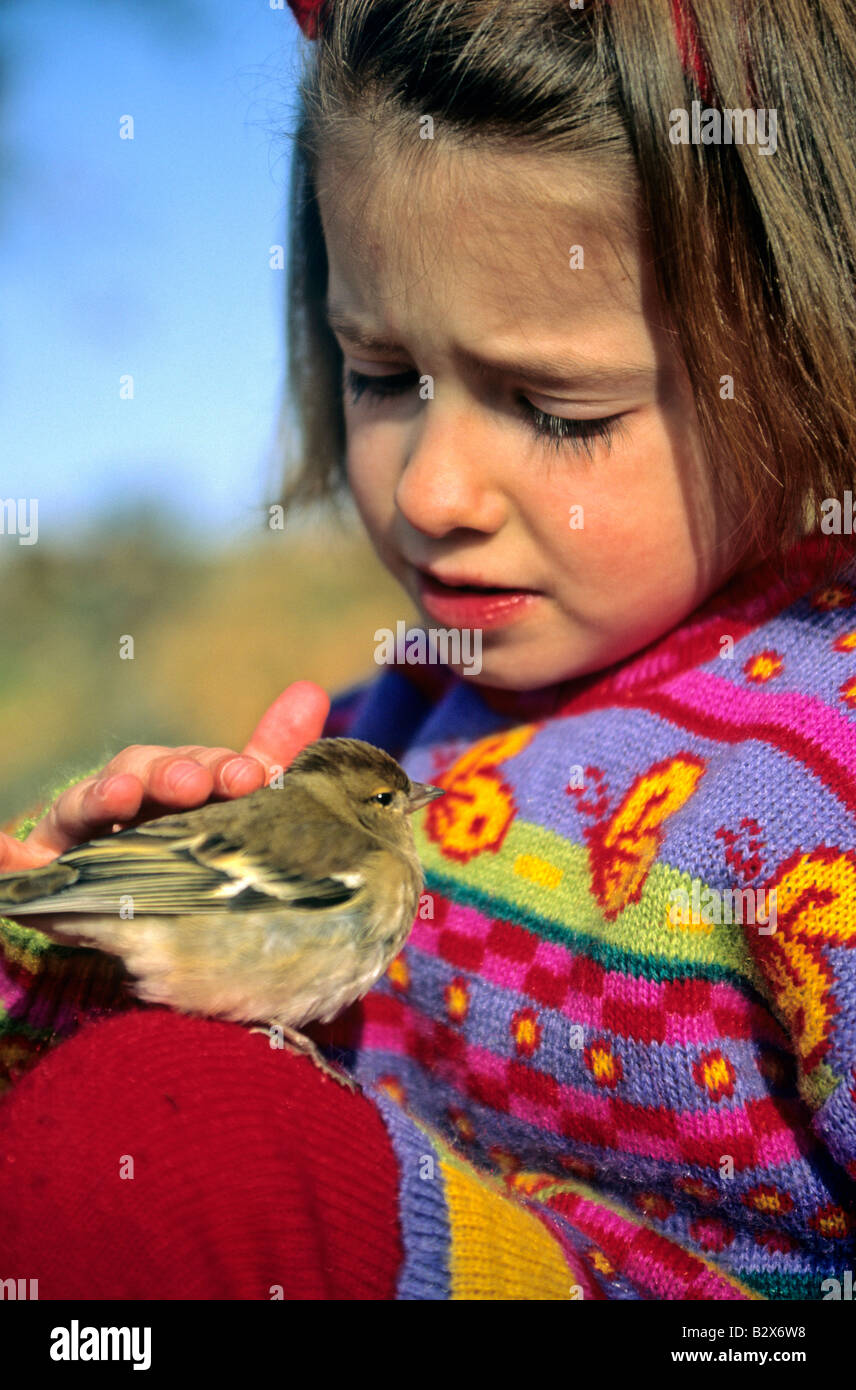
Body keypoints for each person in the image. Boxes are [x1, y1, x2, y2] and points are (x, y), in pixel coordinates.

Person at [1, 0, 855, 1300]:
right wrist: (81, 940)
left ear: (802, 357)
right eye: (384, 374)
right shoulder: (379, 726)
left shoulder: (825, 762)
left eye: (557, 409)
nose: (435, 489)